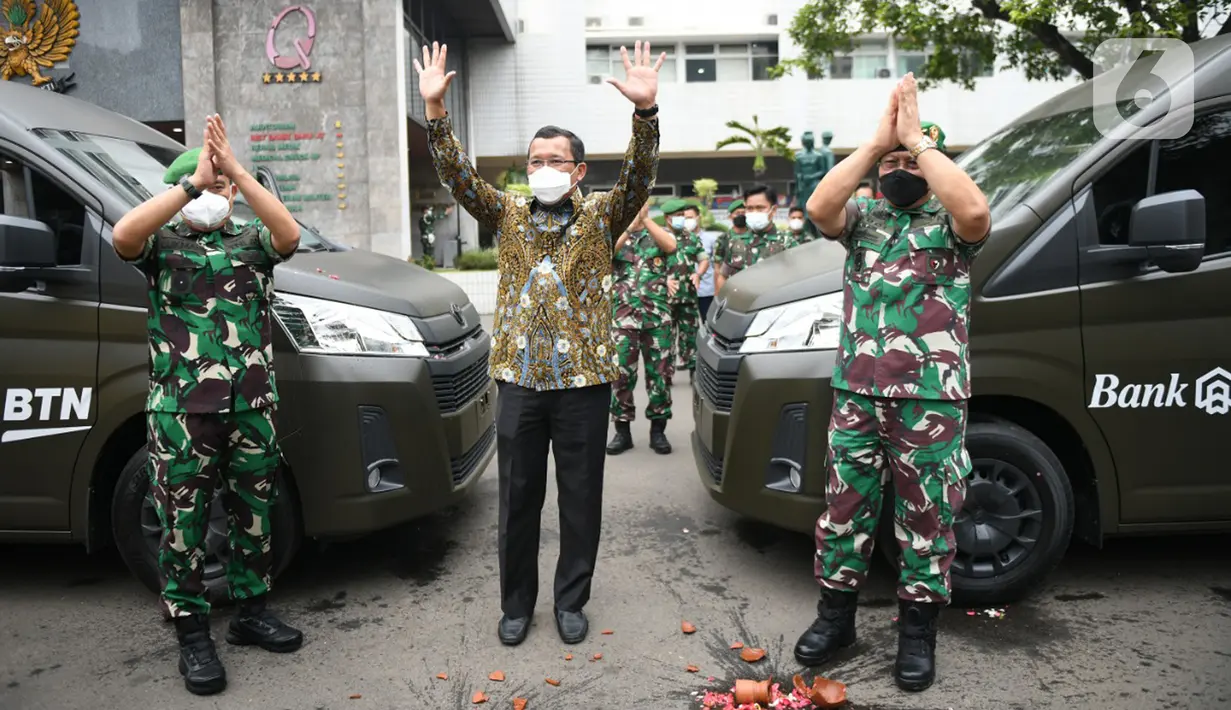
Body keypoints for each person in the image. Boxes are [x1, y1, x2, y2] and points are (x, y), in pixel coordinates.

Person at [415, 40, 663, 647]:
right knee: (518, 502)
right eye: (535, 160)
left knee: (580, 502)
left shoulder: (603, 216)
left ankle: (571, 599)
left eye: (555, 160)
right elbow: (458, 179)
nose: (543, 169)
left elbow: (639, 175)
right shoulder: (507, 213)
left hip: (583, 385)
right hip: (520, 383)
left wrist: (646, 115)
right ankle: (517, 605)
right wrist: (437, 114)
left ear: (578, 171)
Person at [792, 73, 991, 693]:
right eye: (895, 160)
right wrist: (879, 144)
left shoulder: (951, 224)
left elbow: (978, 210)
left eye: (914, 158)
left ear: (934, 165)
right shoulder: (866, 219)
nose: (902, 167)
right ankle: (836, 620)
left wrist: (919, 142)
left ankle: (917, 636)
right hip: (857, 394)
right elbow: (819, 208)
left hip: (929, 400)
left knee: (926, 519)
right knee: (844, 511)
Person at [110, 115, 304, 697]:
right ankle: (193, 634)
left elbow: (289, 236)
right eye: (206, 185)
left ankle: (251, 614)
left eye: (221, 187)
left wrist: (238, 173)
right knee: (183, 525)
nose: (215, 194)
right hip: (181, 411)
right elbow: (123, 234)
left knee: (254, 513)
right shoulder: (162, 245)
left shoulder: (249, 241)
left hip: (251, 407)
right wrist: (191, 184)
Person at [607, 201, 677, 456]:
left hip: (656, 320)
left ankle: (658, 432)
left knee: (659, 376)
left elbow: (671, 246)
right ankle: (622, 432)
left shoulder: (656, 235)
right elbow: (605, 252)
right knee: (621, 376)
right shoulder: (615, 234)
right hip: (624, 320)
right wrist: (629, 227)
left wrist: (646, 221)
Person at [665, 201, 707, 383]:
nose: (681, 219)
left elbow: (703, 259)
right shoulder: (660, 238)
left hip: (688, 296)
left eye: (682, 215)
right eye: (677, 216)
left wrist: (699, 273)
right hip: (665, 298)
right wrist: (664, 280)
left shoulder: (693, 238)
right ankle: (665, 373)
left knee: (690, 335)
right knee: (665, 337)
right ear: (668, 219)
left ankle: (693, 372)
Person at [719, 185, 797, 283]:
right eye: (750, 208)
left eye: (760, 208)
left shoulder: (787, 243)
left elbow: (797, 278)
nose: (754, 212)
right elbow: (722, 276)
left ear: (773, 210)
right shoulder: (735, 242)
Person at [711, 199, 745, 294]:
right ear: (730, 216)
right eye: (737, 213)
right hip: (730, 288)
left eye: (744, 212)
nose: (741, 215)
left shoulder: (756, 236)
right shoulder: (723, 239)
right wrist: (717, 292)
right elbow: (717, 268)